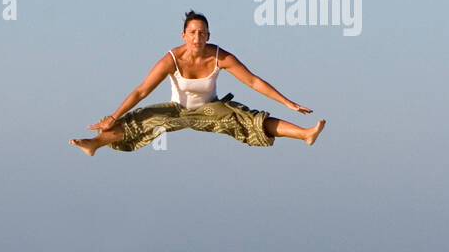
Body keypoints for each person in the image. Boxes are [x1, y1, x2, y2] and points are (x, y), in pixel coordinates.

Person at [70, 10, 325, 155]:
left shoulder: (219, 56)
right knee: (139, 120)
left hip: (209, 109)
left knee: (248, 119)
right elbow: (142, 90)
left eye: (202, 33)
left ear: (208, 36)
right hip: (176, 109)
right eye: (192, 32)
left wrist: (287, 102)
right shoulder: (172, 58)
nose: (197, 37)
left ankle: (304, 134)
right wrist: (114, 116)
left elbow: (253, 81)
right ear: (184, 35)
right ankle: (94, 144)